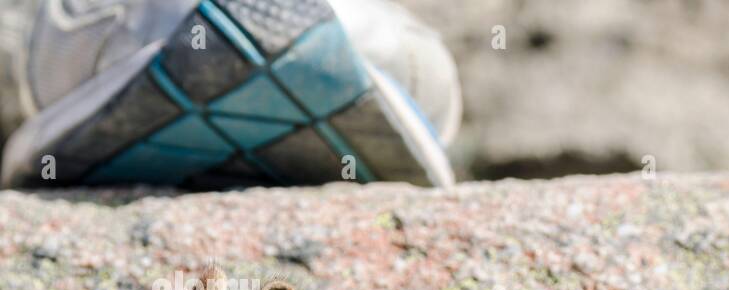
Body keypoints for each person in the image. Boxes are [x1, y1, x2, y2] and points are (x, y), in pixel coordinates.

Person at [0, 0, 460, 189]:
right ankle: (362, 41)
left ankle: (142, 33)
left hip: (137, 33)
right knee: (424, 78)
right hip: (371, 41)